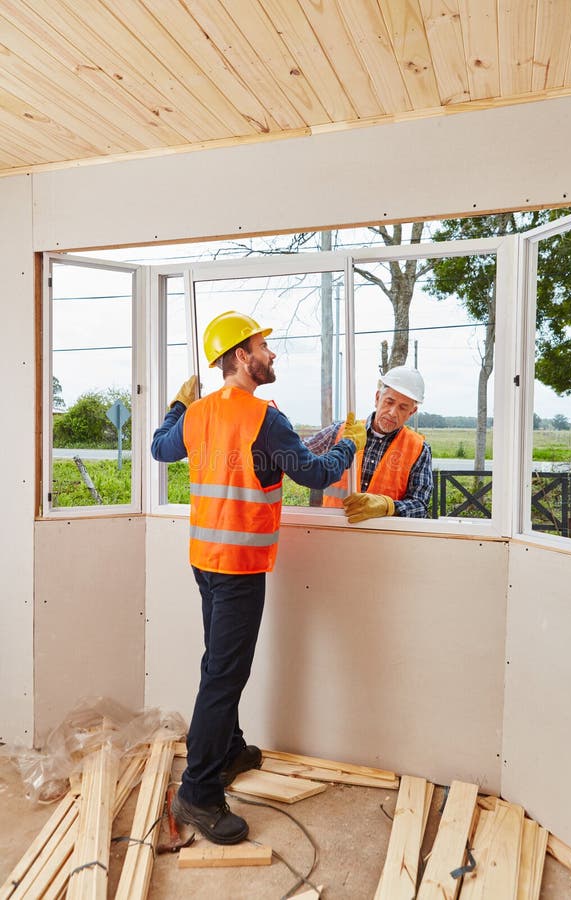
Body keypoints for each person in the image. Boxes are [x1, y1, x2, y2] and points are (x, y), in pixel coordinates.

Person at [150, 310, 366, 845]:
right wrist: (349, 442)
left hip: (205, 560)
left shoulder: (198, 414)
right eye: (264, 347)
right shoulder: (263, 418)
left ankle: (229, 751)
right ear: (242, 358)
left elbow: (160, 447)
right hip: (240, 568)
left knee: (217, 664)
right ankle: (197, 792)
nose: (272, 355)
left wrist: (178, 403)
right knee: (224, 675)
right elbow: (314, 473)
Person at [305, 366, 433, 522]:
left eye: (402, 407)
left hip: (383, 538)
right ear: (377, 398)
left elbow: (420, 505)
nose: (392, 412)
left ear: (411, 413)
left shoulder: (418, 449)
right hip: (335, 531)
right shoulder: (340, 432)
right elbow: (298, 456)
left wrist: (389, 507)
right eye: (389, 402)